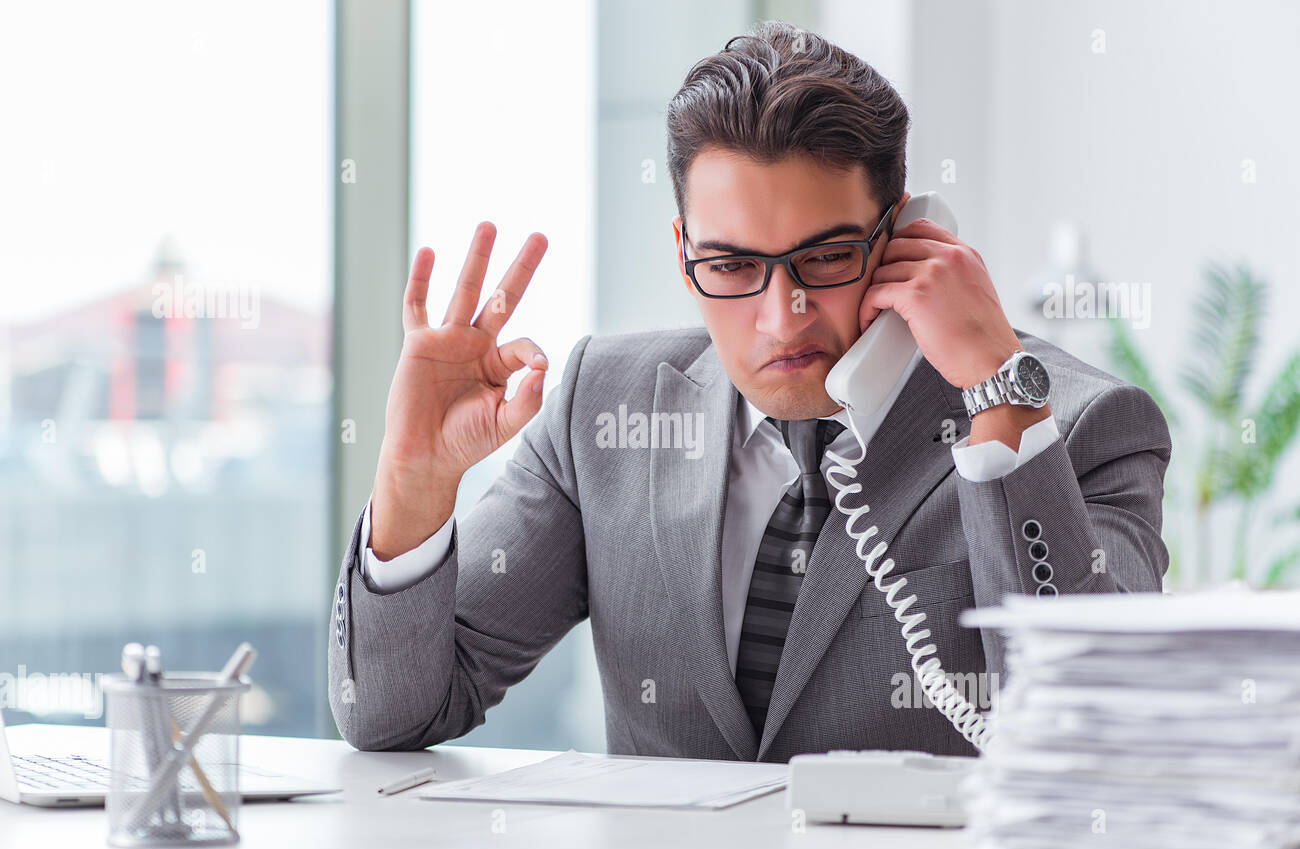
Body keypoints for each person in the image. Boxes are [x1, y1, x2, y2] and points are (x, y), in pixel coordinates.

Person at [328, 21, 1170, 762]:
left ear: (909, 238)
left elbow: (1094, 734)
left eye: (828, 256)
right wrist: (413, 480)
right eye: (732, 265)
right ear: (683, 254)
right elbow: (393, 715)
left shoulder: (1083, 424)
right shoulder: (603, 410)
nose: (782, 315)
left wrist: (1000, 397)